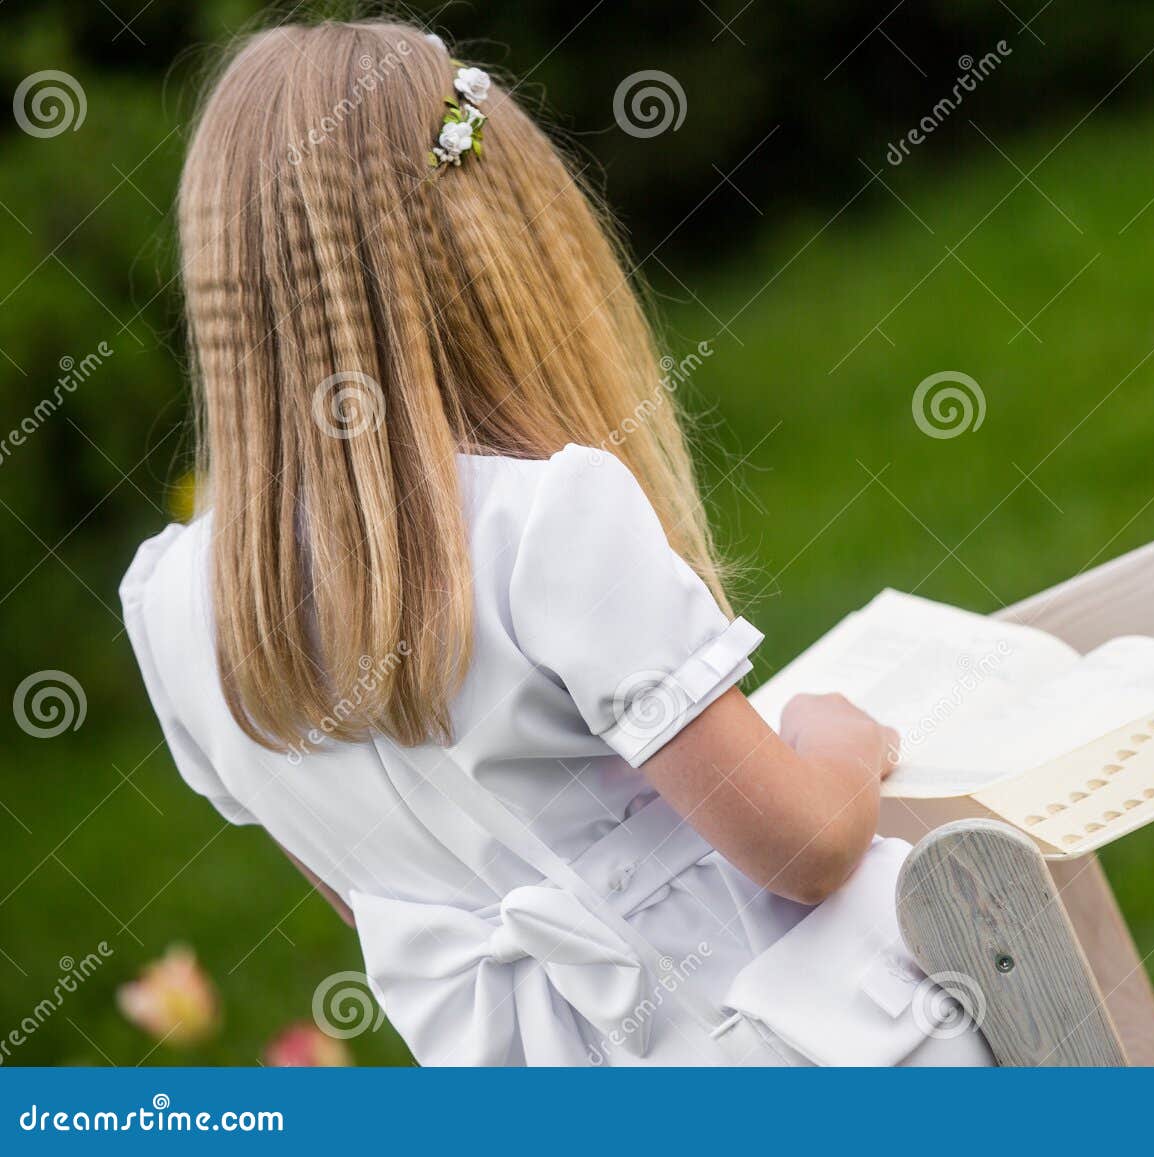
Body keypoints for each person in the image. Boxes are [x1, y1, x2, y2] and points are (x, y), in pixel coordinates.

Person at [121, 18, 992, 1067]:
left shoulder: (168, 608)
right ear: (497, 250)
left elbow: (358, 886)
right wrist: (837, 738)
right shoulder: (547, 519)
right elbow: (803, 847)